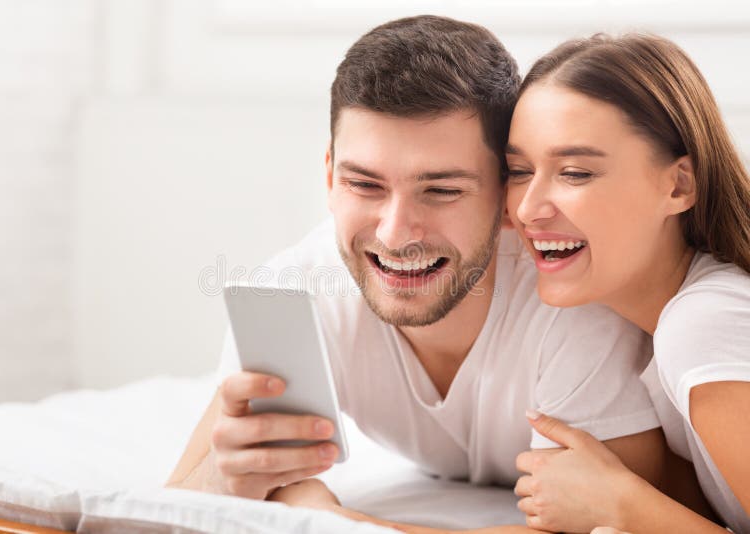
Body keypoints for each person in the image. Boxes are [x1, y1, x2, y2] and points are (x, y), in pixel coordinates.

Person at [166, 17, 669, 532]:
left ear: (506, 198)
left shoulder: (573, 300)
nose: (395, 234)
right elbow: (172, 501)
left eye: (442, 191)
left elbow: (617, 522)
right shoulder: (295, 296)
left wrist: (327, 519)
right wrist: (224, 483)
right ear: (329, 177)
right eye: (364, 184)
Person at [505, 33, 750, 533]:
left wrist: (623, 504)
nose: (528, 208)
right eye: (517, 171)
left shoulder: (701, 324)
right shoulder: (650, 331)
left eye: (574, 172)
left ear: (678, 185)